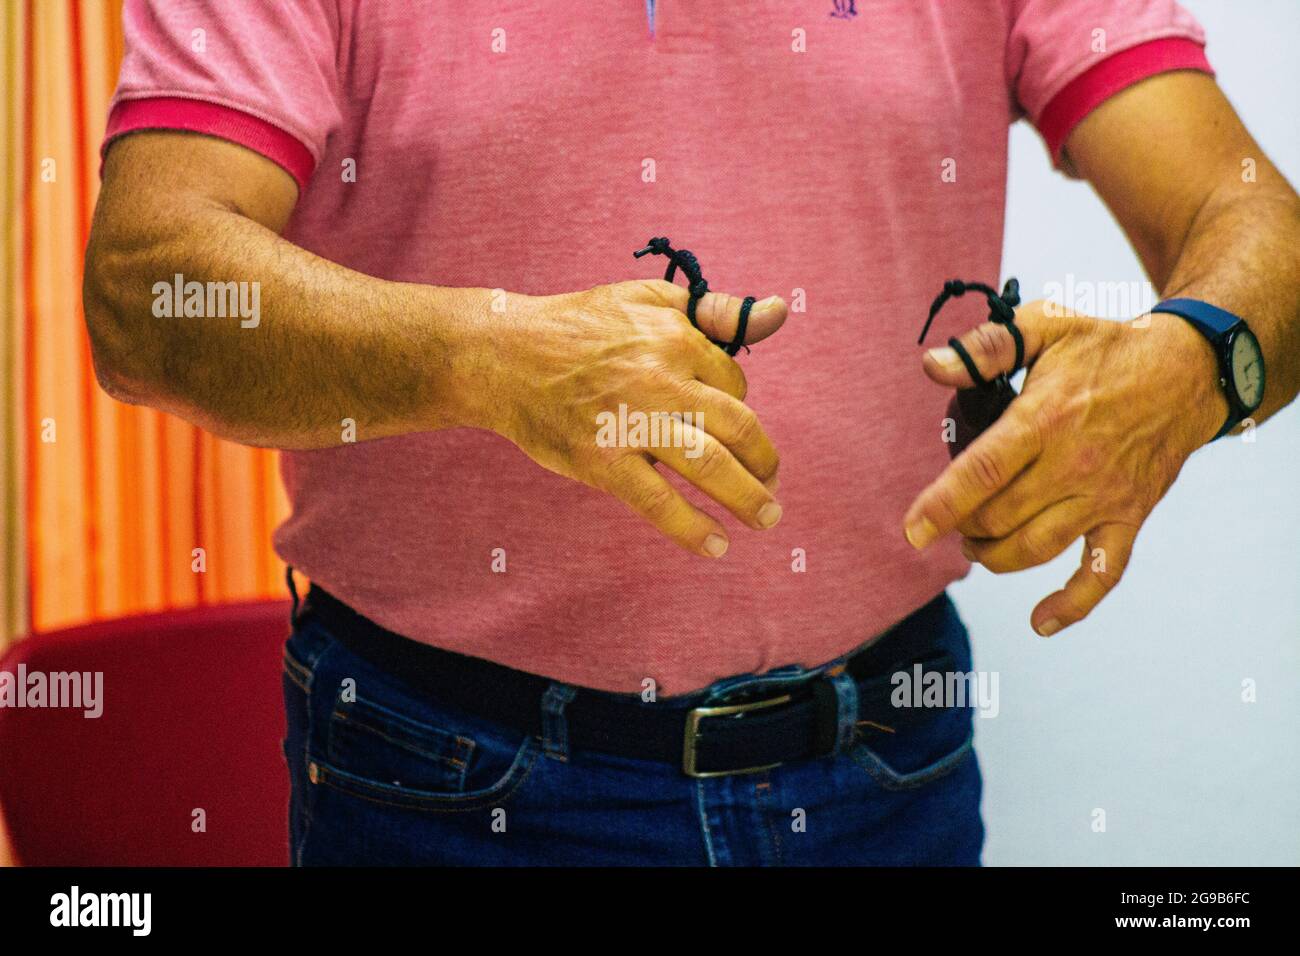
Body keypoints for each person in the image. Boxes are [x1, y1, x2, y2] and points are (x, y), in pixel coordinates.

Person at [84, 0, 1299, 865]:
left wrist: (1198, 360)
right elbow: (146, 289)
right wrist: (489, 357)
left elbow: (1253, 226)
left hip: (886, 767)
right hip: (445, 784)